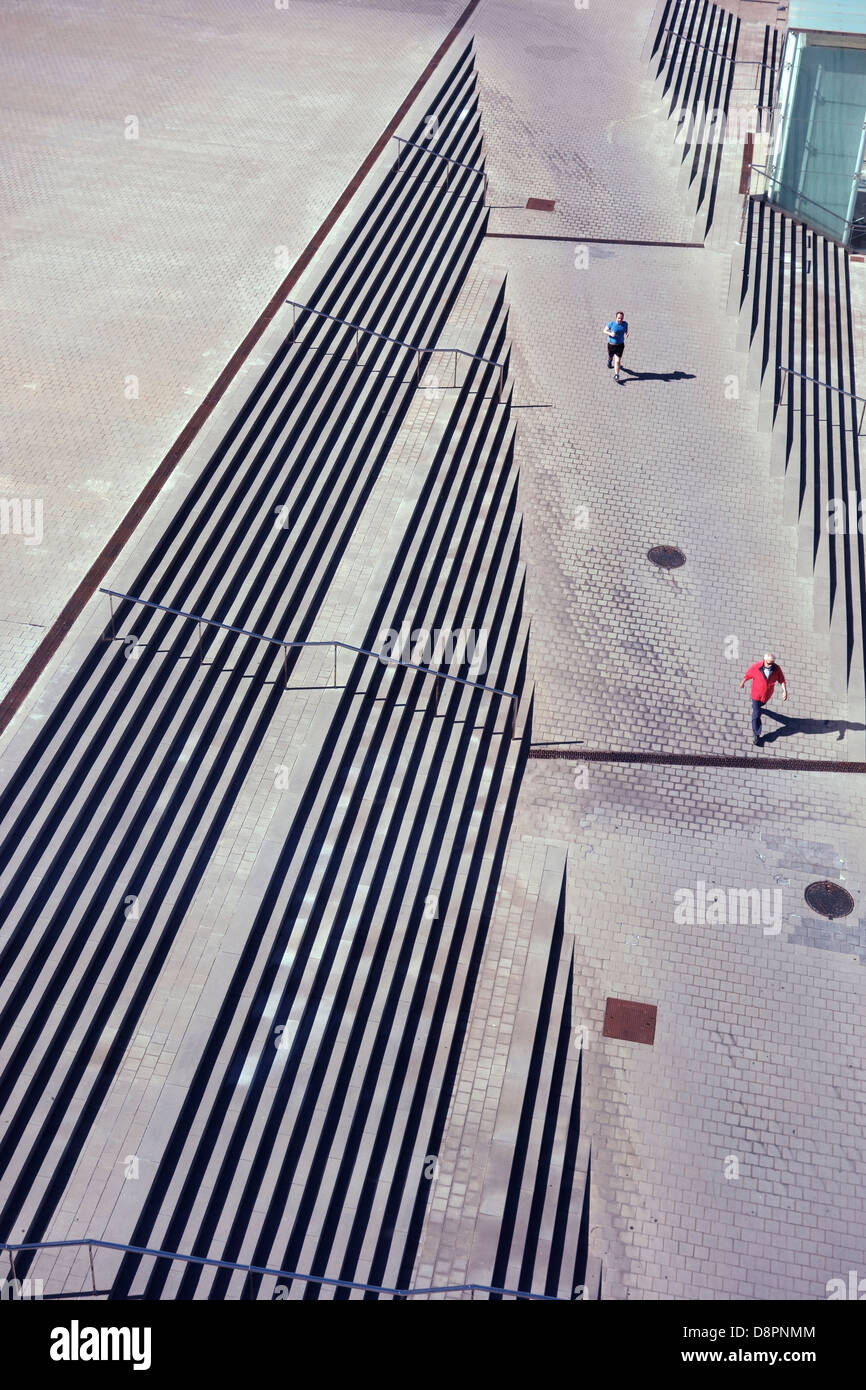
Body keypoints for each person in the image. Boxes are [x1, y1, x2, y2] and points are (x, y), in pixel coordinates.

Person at [739, 652, 787, 746]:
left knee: (760, 706)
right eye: (769, 663)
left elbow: (781, 680)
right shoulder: (756, 667)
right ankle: (756, 734)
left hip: (766, 696)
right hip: (756, 695)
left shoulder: (776, 669)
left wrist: (784, 691)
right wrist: (743, 682)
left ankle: (757, 707)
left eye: (772, 663)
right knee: (756, 714)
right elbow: (748, 674)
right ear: (765, 660)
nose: (771, 665)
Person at [603, 311, 629, 381]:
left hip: (620, 345)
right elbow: (604, 330)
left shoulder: (625, 324)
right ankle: (609, 361)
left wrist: (626, 333)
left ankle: (616, 375)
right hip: (611, 345)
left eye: (621, 318)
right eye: (618, 318)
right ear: (616, 317)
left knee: (617, 361)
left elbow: (626, 329)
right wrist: (610, 334)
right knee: (611, 356)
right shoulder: (611, 324)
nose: (620, 319)